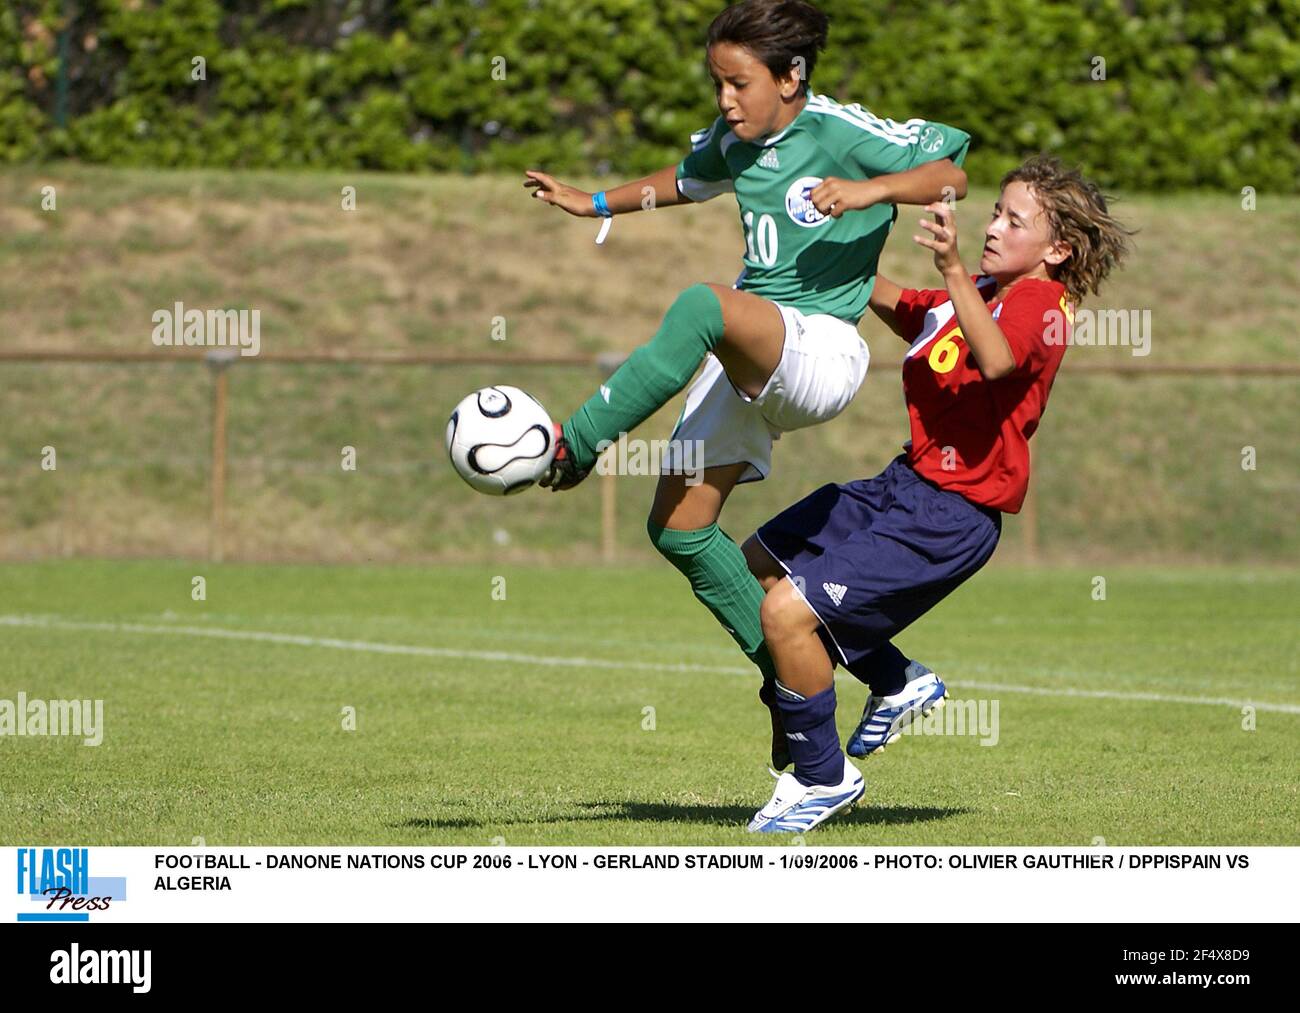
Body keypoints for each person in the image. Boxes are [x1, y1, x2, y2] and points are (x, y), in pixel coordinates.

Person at [523, 0, 970, 766]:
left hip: (821, 350)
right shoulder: (736, 141)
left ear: (791, 77)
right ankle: (815, 686)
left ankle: (576, 443)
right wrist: (588, 202)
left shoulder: (837, 129)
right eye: (716, 84)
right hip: (755, 352)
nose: (725, 100)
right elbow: (682, 181)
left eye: (739, 83)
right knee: (679, 529)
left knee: (703, 304)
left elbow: (948, 170)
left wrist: (866, 191)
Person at [740, 155, 1134, 831]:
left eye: (1016, 219)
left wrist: (953, 269)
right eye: (995, 211)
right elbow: (908, 309)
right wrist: (830, 254)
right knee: (762, 556)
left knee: (786, 616)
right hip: (904, 484)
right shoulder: (982, 287)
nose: (994, 226)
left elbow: (998, 358)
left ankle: (820, 777)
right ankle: (895, 680)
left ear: (1059, 248)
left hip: (950, 514)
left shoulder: (1042, 306)